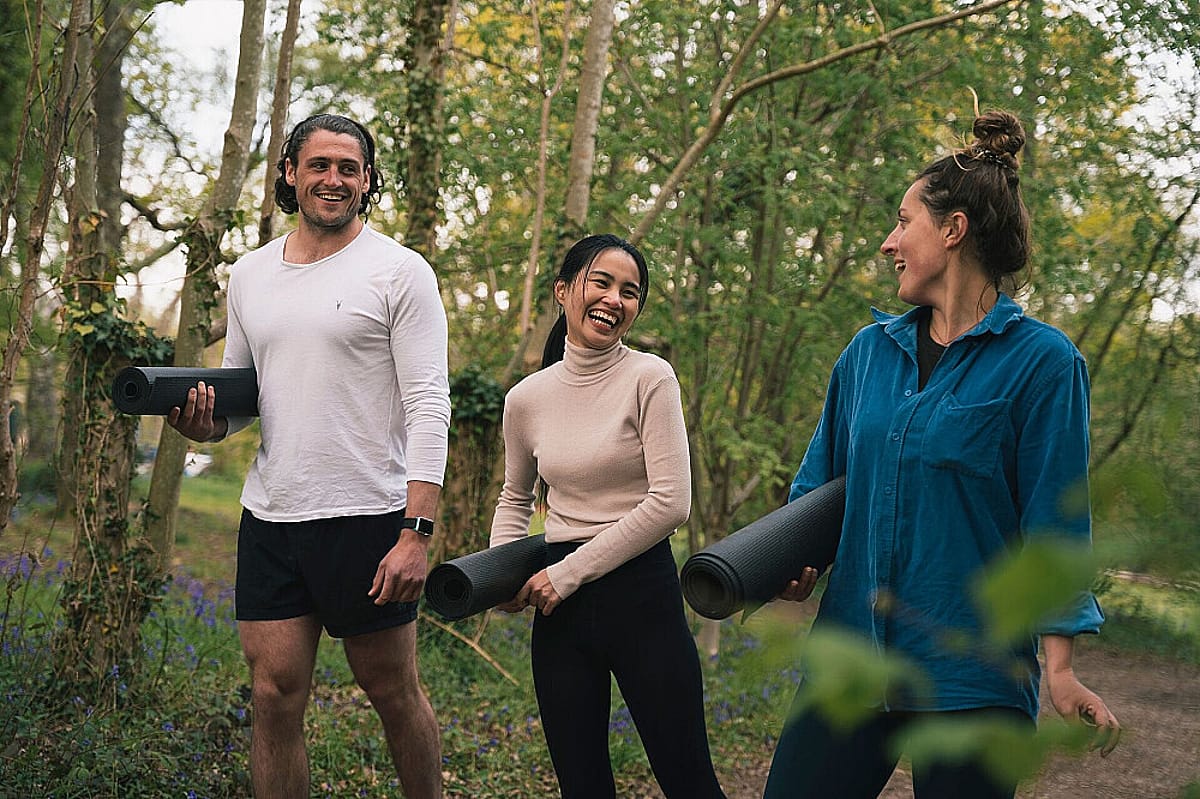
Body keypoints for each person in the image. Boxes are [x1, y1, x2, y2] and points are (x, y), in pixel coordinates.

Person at [762, 109, 1121, 799]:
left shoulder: (1044, 363)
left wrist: (1061, 667)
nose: (888, 241)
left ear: (952, 230)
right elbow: (817, 493)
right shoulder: (866, 355)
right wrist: (788, 562)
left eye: (904, 221)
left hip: (973, 678)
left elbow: (1054, 525)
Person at [167, 113, 449, 799]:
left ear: (367, 181)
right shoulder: (250, 274)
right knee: (273, 694)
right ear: (289, 173)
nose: (334, 179)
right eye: (319, 164)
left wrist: (416, 532)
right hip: (272, 515)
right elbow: (242, 394)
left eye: (349, 168)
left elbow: (429, 405)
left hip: (369, 515)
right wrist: (203, 424)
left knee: (392, 691)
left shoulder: (399, 271)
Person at [488, 234, 726, 799]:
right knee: (582, 785)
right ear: (563, 291)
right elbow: (514, 497)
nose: (615, 299)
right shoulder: (525, 398)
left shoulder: (650, 377)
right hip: (560, 614)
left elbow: (671, 502)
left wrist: (567, 575)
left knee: (688, 779)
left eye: (630, 291)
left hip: (640, 594)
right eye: (602, 282)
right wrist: (500, 576)